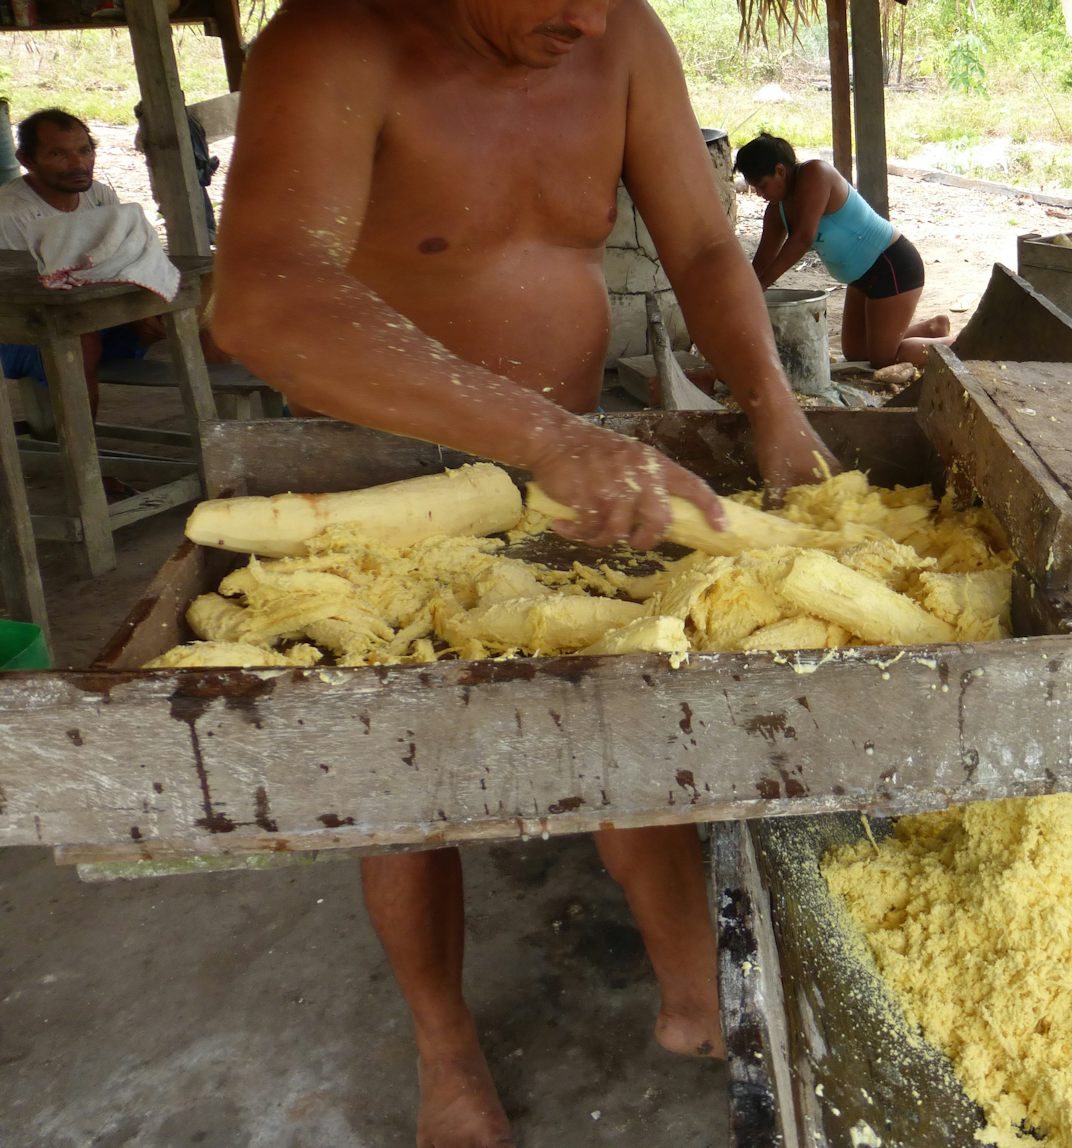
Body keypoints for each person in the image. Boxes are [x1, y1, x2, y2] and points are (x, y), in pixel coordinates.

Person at [212, 3, 836, 1145]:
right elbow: (261, 294)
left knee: (623, 705)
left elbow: (702, 249)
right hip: (380, 481)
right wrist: (540, 436)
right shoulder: (332, 40)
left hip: (579, 457)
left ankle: (695, 993)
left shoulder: (620, 40)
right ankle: (445, 1048)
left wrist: (776, 408)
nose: (584, 18)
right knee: (401, 783)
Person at [735, 132, 952, 368]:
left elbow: (802, 239)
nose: (759, 194)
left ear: (780, 170)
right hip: (860, 279)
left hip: (891, 266)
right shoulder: (776, 212)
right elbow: (762, 262)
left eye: (762, 185)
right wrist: (741, 293)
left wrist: (761, 287)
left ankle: (960, 343)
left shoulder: (816, 173)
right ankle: (933, 328)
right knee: (856, 352)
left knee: (883, 360)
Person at [0, 108, 161, 418]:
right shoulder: (10, 214)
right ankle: (83, 456)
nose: (78, 164)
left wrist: (146, 309)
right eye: (58, 154)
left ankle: (232, 431)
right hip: (25, 333)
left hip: (97, 318)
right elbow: (38, 298)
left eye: (84, 150)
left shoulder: (98, 196)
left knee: (207, 316)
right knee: (81, 341)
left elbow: (131, 257)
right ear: (26, 161)